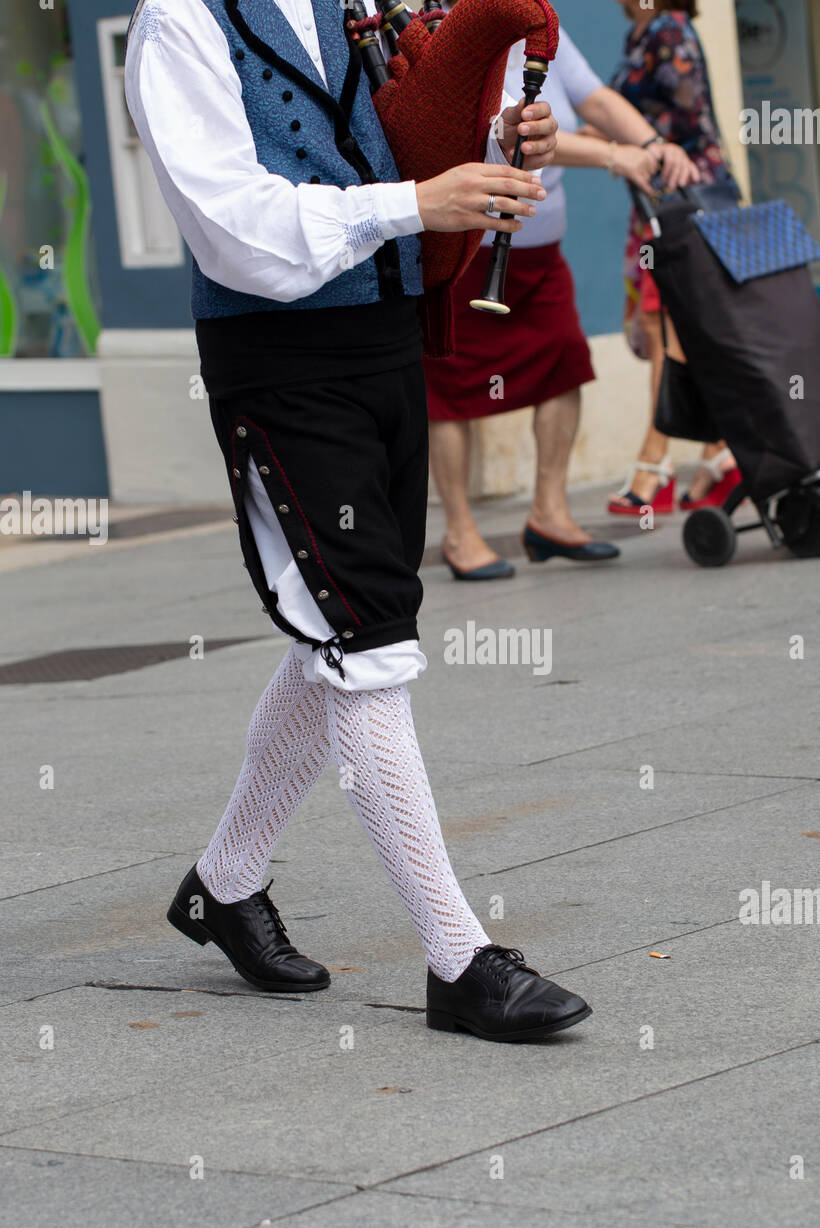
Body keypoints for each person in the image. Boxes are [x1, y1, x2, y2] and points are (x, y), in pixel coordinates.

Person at [124, 0, 591, 1042]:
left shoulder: (345, 2)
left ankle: (224, 882)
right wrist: (413, 203)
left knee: (345, 620)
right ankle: (459, 960)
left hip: (384, 339)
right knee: (370, 641)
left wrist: (481, 151)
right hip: (280, 361)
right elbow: (228, 223)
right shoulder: (177, 24)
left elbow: (389, 140)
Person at [424, 17, 698, 578]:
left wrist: (651, 142)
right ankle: (460, 532)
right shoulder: (455, 27)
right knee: (451, 391)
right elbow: (514, 132)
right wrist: (614, 157)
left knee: (564, 366)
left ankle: (549, 514)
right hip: (471, 248)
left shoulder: (543, 29)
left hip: (540, 250)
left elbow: (595, 98)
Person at [605, 0, 742, 517]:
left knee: (665, 322)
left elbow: (684, 110)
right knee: (677, 326)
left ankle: (655, 460)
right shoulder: (641, 34)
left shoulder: (669, 29)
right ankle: (718, 453)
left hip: (687, 201)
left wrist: (614, 135)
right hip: (657, 202)